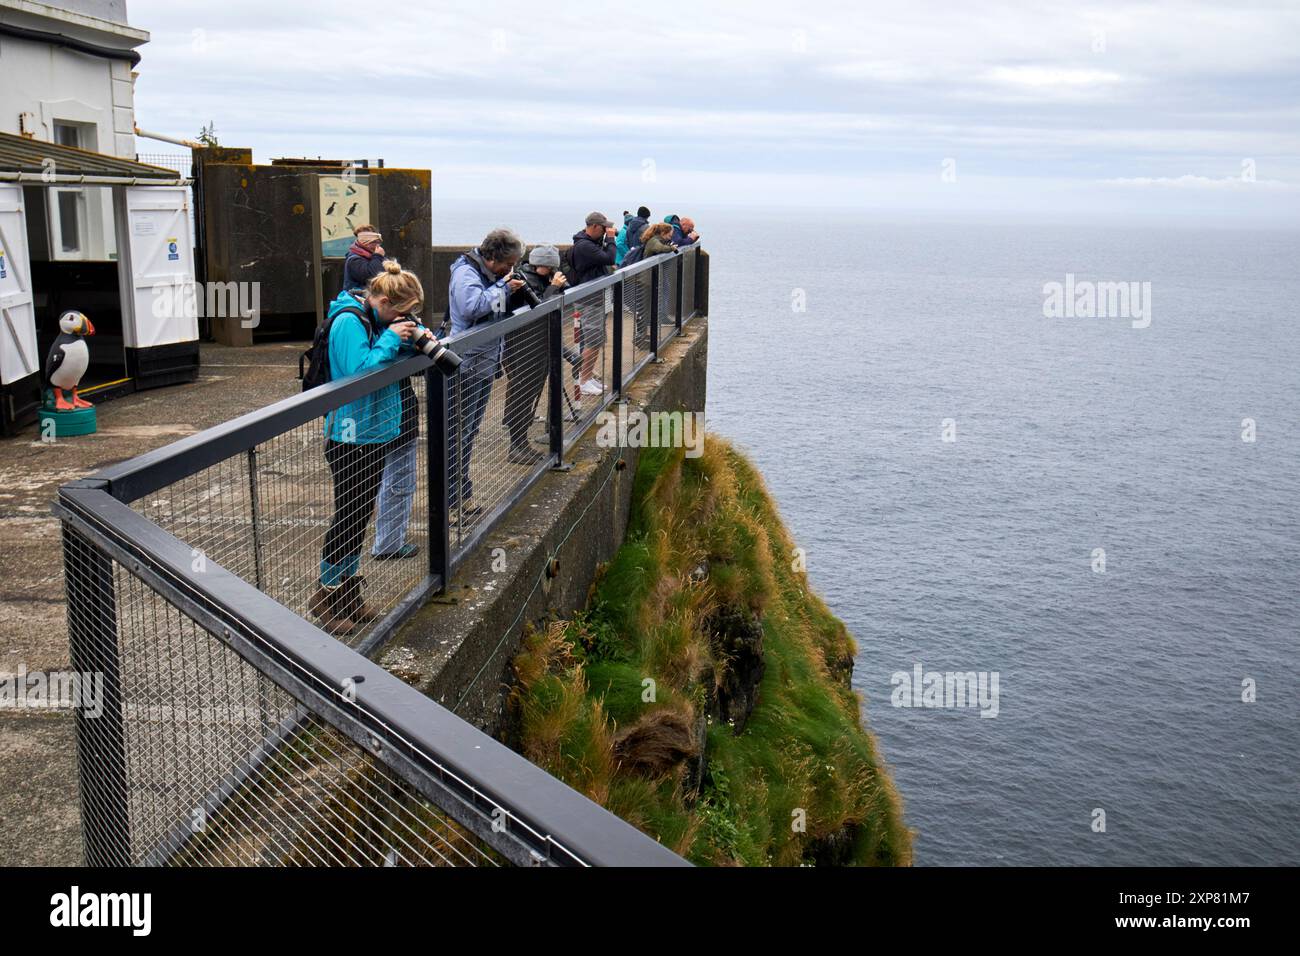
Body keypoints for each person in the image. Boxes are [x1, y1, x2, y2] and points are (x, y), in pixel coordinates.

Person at [308, 260, 422, 636]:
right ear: (384, 301)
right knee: (348, 515)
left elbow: (385, 362)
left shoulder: (377, 320)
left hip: (374, 432)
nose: (404, 318)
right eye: (402, 313)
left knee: (361, 513)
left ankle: (348, 591)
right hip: (349, 436)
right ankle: (325, 594)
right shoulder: (347, 322)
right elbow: (359, 371)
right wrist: (392, 339)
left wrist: (412, 342)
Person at [447, 228, 526, 515]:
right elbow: (471, 308)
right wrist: (505, 287)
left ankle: (460, 494)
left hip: (482, 361)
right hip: (467, 362)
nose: (510, 269)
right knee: (458, 433)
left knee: (468, 432)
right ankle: (454, 498)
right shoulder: (466, 273)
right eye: (508, 264)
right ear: (492, 257)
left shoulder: (488, 274)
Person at [502, 244, 567, 464]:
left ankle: (522, 444)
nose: (551, 272)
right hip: (523, 348)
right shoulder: (523, 281)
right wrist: (553, 288)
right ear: (542, 265)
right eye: (549, 268)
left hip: (538, 347)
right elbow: (539, 310)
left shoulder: (539, 279)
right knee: (522, 393)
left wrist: (557, 287)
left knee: (530, 394)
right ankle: (516, 445)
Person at [570, 212, 617, 398]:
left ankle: (587, 378)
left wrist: (607, 239)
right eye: (604, 228)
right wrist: (611, 239)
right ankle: (583, 380)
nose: (606, 231)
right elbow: (610, 258)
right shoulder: (584, 246)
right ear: (595, 226)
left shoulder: (588, 243)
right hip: (589, 300)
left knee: (596, 340)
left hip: (594, 298)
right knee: (593, 340)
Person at [342, 225, 386, 292]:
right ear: (363, 243)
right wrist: (378, 256)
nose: (377, 245)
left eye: (378, 242)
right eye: (373, 242)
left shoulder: (371, 255)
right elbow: (375, 276)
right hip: (357, 300)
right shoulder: (354, 260)